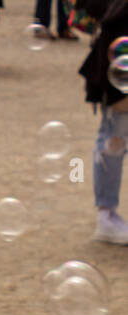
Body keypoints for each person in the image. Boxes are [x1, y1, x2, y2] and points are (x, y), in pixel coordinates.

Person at [79, 0, 128, 243]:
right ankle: (106, 216)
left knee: (115, 137)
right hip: (119, 70)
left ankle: (108, 215)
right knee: (114, 139)